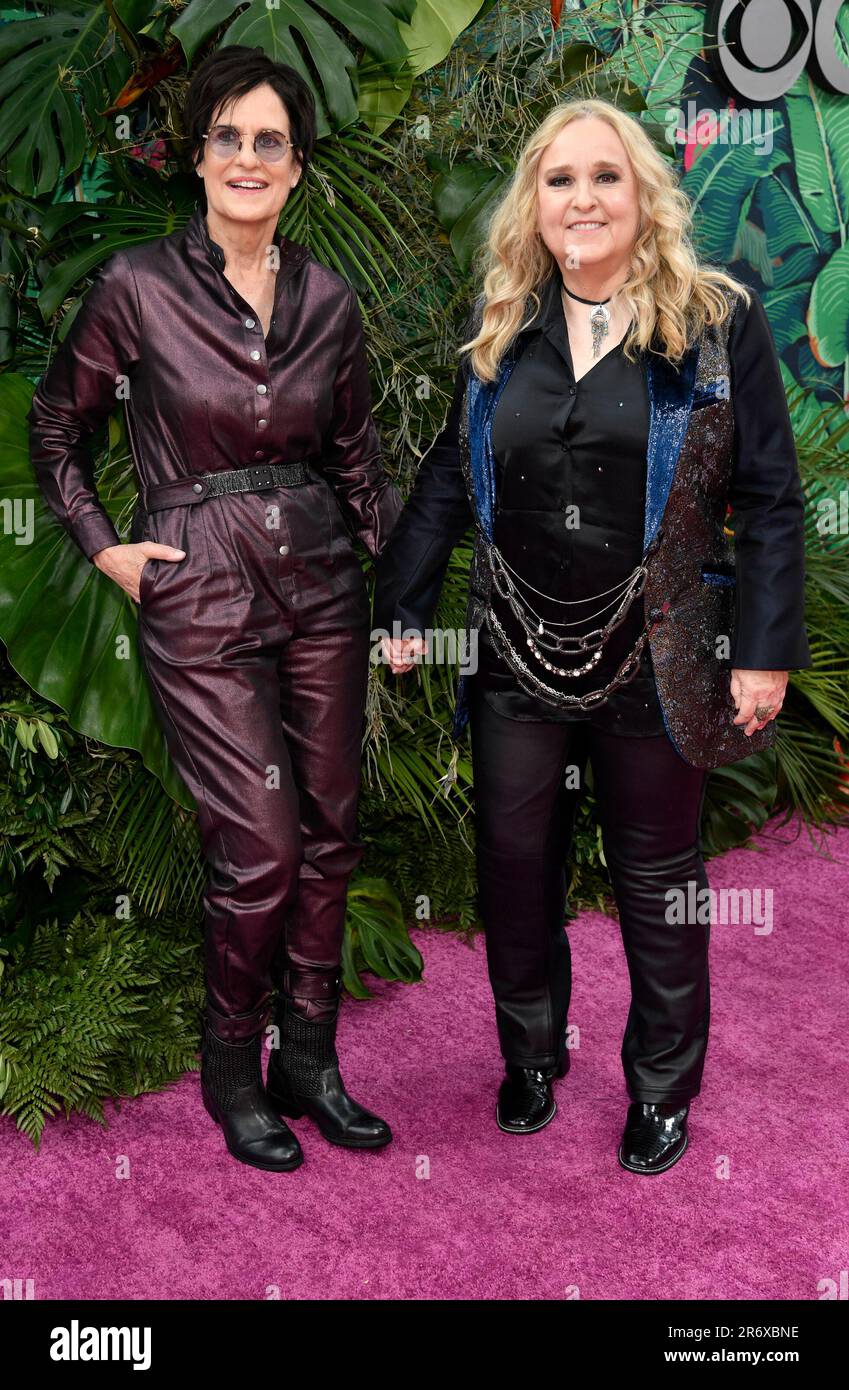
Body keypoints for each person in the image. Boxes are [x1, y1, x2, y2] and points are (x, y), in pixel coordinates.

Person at [373, 98, 811, 1175]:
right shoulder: (503, 321)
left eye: (605, 176)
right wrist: (401, 606)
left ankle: (662, 1089)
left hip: (657, 656)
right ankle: (529, 1058)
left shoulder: (718, 321)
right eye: (560, 178)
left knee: (660, 881)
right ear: (534, 202)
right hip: (518, 653)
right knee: (514, 869)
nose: (583, 197)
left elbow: (772, 496)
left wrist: (763, 649)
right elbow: (443, 482)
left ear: (643, 194)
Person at [28, 46, 404, 1172]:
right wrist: (107, 550)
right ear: (197, 159)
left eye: (270, 142)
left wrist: (403, 589)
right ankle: (233, 1069)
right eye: (229, 138)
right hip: (198, 591)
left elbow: (356, 460)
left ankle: (312, 1061)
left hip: (325, 586)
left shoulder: (330, 302)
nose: (249, 158)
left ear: (296, 169)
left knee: (332, 835)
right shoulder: (136, 287)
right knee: (262, 849)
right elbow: (59, 429)